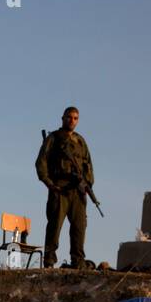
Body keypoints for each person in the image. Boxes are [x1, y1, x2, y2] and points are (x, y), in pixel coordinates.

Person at [35, 106, 95, 269]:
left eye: (75, 118)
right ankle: (49, 261)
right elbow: (41, 162)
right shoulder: (54, 138)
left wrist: (87, 184)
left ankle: (78, 261)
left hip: (78, 190)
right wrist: (50, 184)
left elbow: (88, 165)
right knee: (55, 226)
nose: (72, 121)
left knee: (79, 227)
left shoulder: (80, 141)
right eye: (69, 117)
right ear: (62, 118)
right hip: (59, 188)